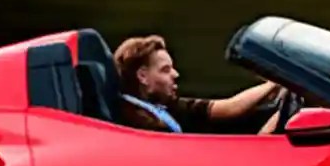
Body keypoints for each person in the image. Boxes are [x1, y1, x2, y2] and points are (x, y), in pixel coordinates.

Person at [112, 35, 282, 134]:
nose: (175, 74)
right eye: (165, 70)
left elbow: (229, 108)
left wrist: (274, 84)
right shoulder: (137, 125)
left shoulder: (165, 106)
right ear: (142, 76)